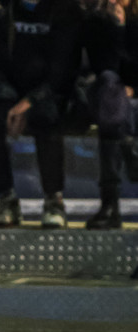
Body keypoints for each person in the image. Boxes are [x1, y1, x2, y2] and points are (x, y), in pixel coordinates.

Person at [0, 0, 85, 228]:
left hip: (51, 91)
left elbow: (64, 68)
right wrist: (8, 99)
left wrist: (30, 101)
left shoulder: (66, 9)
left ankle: (54, 201)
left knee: (47, 116)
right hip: (9, 91)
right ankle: (6, 198)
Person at [83, 0, 138, 228]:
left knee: (112, 118)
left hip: (128, 94)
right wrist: (117, 28)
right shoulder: (97, 21)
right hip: (107, 92)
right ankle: (130, 150)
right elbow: (104, 65)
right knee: (110, 90)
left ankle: (110, 205)